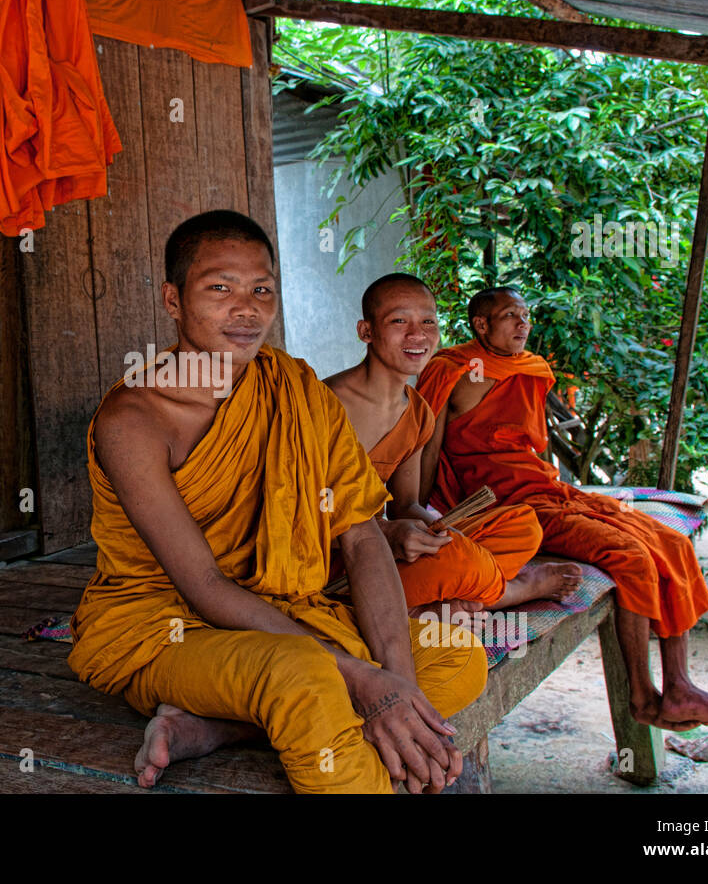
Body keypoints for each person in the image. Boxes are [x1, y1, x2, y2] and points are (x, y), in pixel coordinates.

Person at [66, 211, 487, 793]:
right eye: (221, 288)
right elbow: (205, 588)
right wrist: (365, 682)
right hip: (163, 626)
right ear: (172, 299)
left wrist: (395, 682)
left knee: (455, 656)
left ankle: (217, 728)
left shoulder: (296, 388)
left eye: (262, 289)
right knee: (302, 674)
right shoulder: (133, 419)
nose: (248, 309)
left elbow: (362, 536)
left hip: (285, 610)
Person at [416, 286, 708, 730]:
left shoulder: (530, 368)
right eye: (511, 316)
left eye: (526, 316)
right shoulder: (450, 371)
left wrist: (564, 491)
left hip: (546, 492)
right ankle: (642, 696)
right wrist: (418, 516)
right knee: (630, 556)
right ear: (481, 324)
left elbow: (530, 447)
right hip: (505, 508)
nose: (523, 325)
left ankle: (680, 686)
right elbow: (425, 449)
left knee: (670, 541)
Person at [325, 274, 582, 615]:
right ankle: (511, 590)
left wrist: (437, 530)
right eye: (399, 320)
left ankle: (446, 597)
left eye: (428, 322)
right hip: (337, 564)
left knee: (522, 526)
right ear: (366, 331)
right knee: (464, 562)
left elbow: (406, 506)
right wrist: (387, 533)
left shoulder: (417, 412)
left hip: (387, 547)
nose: (417, 335)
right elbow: (299, 509)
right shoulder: (325, 403)